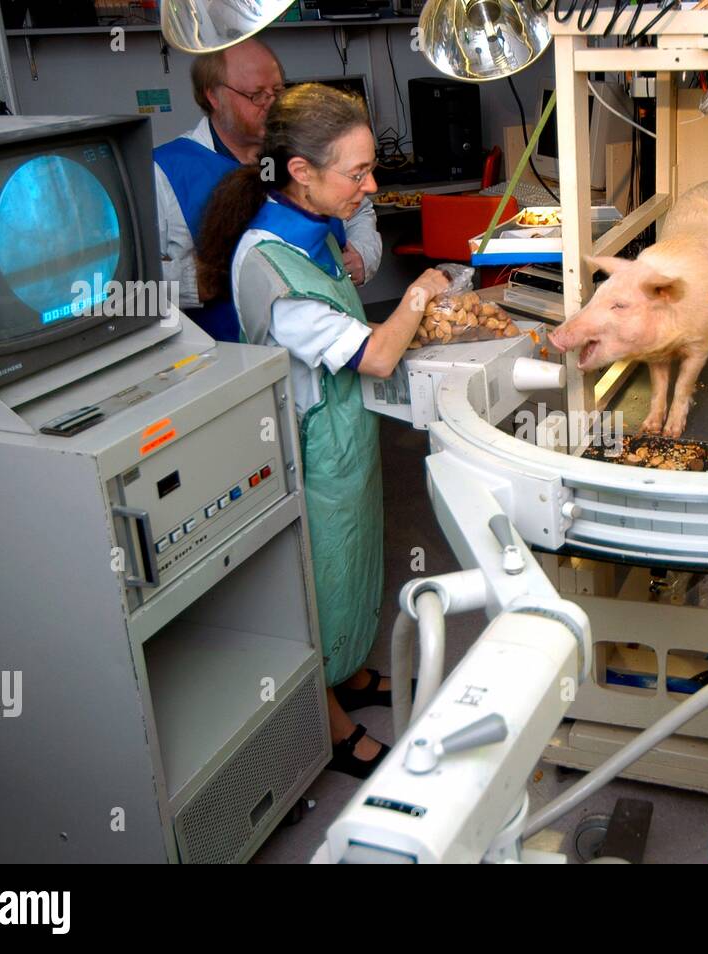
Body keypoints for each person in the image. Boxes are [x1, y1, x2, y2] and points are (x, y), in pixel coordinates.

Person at [195, 83, 449, 778]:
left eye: (370, 169)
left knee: (355, 566)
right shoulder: (268, 262)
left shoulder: (308, 234)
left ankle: (348, 675)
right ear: (301, 171)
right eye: (357, 173)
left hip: (345, 439)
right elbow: (375, 353)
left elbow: (350, 333)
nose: (369, 188)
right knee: (315, 586)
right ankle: (330, 724)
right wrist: (422, 293)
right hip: (310, 452)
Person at [153, 39, 381, 341]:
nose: (272, 104)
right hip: (230, 363)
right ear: (213, 96)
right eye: (257, 95)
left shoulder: (299, 148)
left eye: (278, 91)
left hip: (332, 345)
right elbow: (134, 287)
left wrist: (363, 255)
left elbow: (361, 208)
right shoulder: (166, 170)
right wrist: (196, 283)